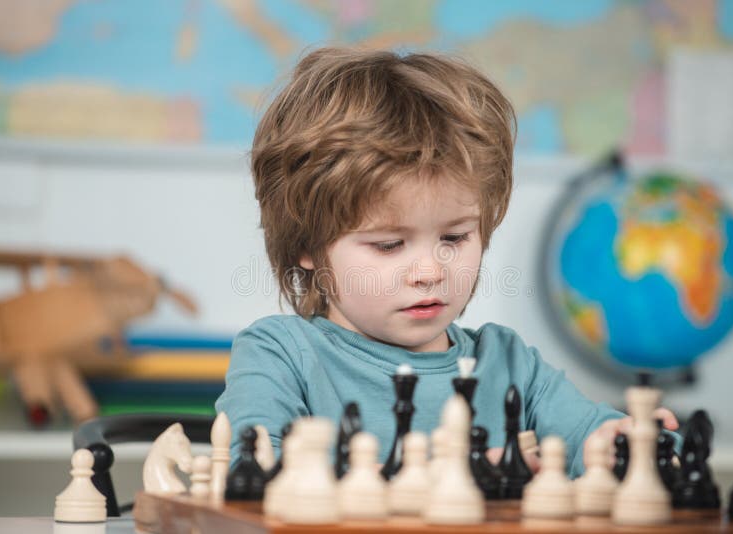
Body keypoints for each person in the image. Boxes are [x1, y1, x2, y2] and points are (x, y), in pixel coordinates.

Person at [215, 46, 678, 477]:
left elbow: (600, 438)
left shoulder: (509, 365)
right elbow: (254, 477)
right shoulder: (281, 355)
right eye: (389, 245)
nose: (431, 272)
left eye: (455, 237)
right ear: (308, 247)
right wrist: (440, 477)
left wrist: (627, 444)